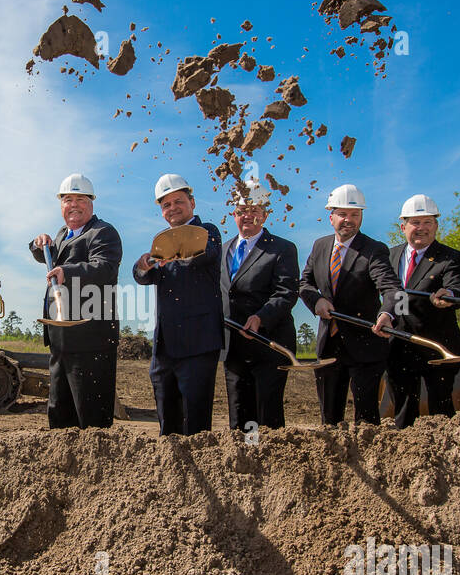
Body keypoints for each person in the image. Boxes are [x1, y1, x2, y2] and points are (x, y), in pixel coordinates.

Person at [298, 184, 400, 424]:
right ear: (331, 216)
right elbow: (304, 283)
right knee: (329, 418)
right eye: (343, 214)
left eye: (355, 214)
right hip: (329, 345)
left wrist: (387, 313)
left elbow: (392, 288)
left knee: (365, 419)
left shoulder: (374, 250)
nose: (349, 220)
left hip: (364, 344)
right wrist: (317, 301)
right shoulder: (320, 246)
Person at [30, 173, 123, 429]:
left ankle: (97, 465)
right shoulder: (62, 234)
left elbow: (104, 268)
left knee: (90, 416)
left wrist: (67, 272)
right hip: (61, 338)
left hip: (90, 338)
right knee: (60, 412)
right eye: (68, 199)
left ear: (91, 203)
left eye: (80, 199)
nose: (74, 205)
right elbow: (45, 255)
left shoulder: (102, 233)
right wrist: (39, 244)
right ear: (61, 206)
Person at [133, 173, 222, 435]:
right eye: (166, 205)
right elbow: (142, 276)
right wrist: (144, 264)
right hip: (165, 346)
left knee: (194, 423)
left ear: (192, 203)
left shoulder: (208, 231)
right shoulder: (161, 240)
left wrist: (169, 253)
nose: (172, 208)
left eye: (178, 201)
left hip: (198, 342)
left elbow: (204, 254)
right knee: (168, 422)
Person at [386, 194, 460, 427]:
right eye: (415, 222)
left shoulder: (451, 258)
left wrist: (450, 296)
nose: (421, 228)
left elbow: (458, 286)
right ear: (403, 227)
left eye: (427, 222)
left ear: (436, 226)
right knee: (402, 409)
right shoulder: (389, 256)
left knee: (440, 409)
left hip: (437, 345)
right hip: (399, 345)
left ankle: (443, 455)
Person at [220, 187, 299, 430]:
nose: (247, 216)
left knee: (266, 415)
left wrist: (261, 318)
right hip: (233, 346)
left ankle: (270, 462)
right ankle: (243, 460)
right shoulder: (223, 250)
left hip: (268, 344)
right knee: (239, 413)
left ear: (265, 215)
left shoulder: (282, 248)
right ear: (233, 214)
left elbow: (286, 293)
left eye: (254, 210)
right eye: (241, 211)